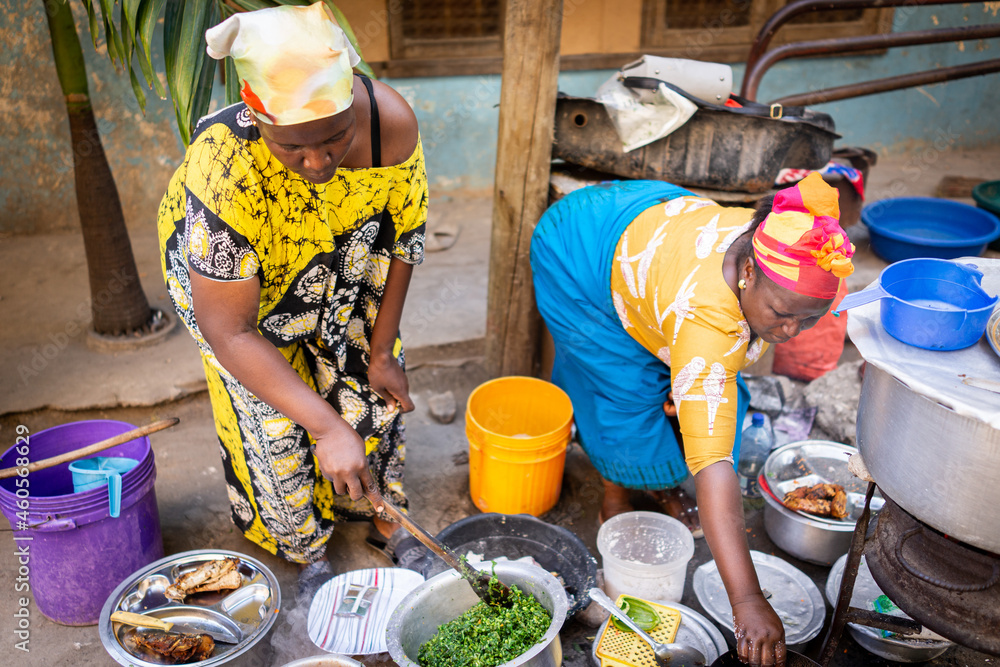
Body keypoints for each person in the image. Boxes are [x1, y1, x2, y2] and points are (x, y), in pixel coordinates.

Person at [156, 2, 427, 597]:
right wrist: (326, 428)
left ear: (354, 99)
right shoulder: (225, 167)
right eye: (293, 149)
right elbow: (231, 333)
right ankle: (305, 550)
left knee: (365, 381)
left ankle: (374, 509)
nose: (317, 162)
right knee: (276, 421)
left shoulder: (390, 124)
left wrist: (381, 350)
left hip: (342, 254)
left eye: (334, 139)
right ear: (259, 121)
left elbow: (403, 239)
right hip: (236, 294)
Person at [530, 173, 853, 667]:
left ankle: (652, 479)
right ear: (747, 270)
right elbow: (715, 463)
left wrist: (692, 385)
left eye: (809, 320)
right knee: (624, 395)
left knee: (715, 399)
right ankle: (615, 491)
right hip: (579, 256)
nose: (790, 331)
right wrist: (747, 600)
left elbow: (714, 373)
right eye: (782, 314)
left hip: (646, 229)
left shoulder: (779, 235)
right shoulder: (706, 321)